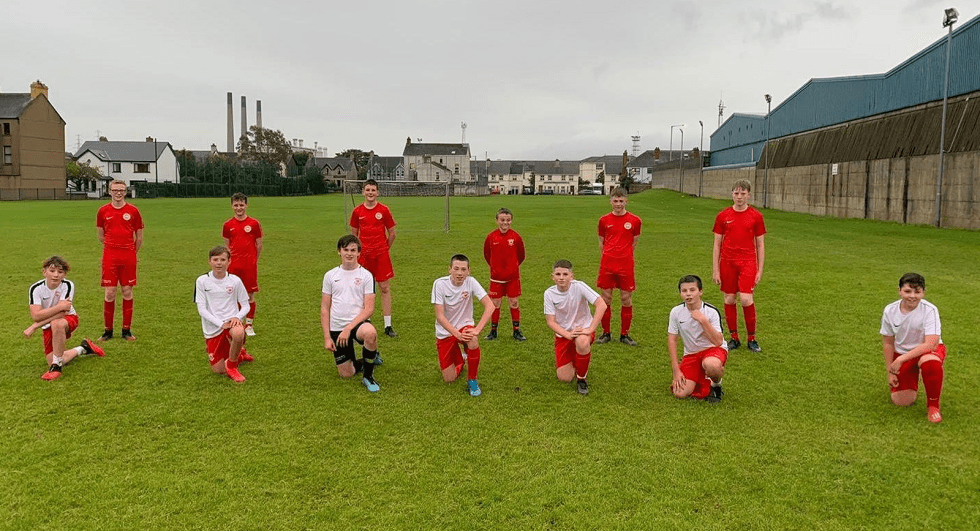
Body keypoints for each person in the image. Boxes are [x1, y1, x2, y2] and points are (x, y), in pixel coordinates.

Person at [880, 273, 945, 423]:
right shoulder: (890, 310)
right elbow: (888, 343)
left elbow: (931, 344)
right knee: (902, 401)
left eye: (917, 292)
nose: (912, 296)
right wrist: (890, 371)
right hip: (903, 353)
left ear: (924, 292)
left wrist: (901, 359)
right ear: (899, 291)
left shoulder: (930, 310)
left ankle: (933, 407)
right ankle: (911, 376)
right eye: (908, 291)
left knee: (929, 361)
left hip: (928, 351)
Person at [26, 256, 105, 380]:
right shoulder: (36, 289)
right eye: (52, 271)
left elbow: (63, 313)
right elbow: (36, 315)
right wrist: (58, 307)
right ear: (44, 272)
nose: (56, 275)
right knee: (53, 359)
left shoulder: (67, 285)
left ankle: (56, 368)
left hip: (69, 318)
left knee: (57, 323)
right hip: (48, 324)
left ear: (64, 274)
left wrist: (35, 325)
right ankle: (83, 348)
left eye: (60, 272)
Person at [321, 235, 382, 392]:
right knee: (346, 374)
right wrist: (327, 337)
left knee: (370, 333)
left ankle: (368, 377)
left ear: (359, 253)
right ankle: (370, 357)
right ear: (339, 252)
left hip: (358, 324)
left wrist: (348, 328)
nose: (349, 253)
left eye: (353, 250)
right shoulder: (330, 276)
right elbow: (325, 308)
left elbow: (369, 309)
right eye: (345, 250)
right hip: (337, 327)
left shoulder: (366, 275)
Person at [712, 179, 766, 352]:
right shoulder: (723, 216)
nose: (739, 197)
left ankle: (752, 338)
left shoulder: (756, 216)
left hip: (748, 262)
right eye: (736, 193)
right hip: (727, 262)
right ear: (732, 194)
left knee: (746, 299)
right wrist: (715, 269)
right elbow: (717, 244)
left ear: (748, 195)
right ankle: (734, 337)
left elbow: (760, 245)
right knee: (729, 298)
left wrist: (760, 269)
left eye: (743, 194)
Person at [431, 254, 494, 397]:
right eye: (456, 269)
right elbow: (440, 316)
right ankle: (462, 358)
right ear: (450, 269)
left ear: (468, 271)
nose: (459, 273)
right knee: (449, 378)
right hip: (446, 332)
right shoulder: (439, 284)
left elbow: (490, 306)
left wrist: (477, 330)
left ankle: (472, 380)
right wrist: (456, 334)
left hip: (464, 327)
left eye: (463, 270)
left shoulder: (471, 282)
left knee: (472, 340)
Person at [544, 259, 607, 396]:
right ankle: (578, 357)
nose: (561, 278)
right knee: (564, 378)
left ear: (571, 276)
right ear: (552, 277)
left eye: (565, 274)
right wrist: (567, 335)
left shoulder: (579, 286)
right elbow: (551, 322)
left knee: (582, 342)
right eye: (558, 274)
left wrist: (590, 328)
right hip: (564, 335)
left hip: (581, 330)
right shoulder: (549, 293)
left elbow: (601, 304)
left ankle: (581, 379)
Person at [194, 246, 252, 383]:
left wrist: (237, 317)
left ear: (229, 262)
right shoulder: (202, 281)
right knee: (219, 370)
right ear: (209, 261)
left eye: (222, 259)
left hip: (231, 322)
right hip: (213, 327)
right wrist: (221, 324)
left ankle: (232, 366)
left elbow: (246, 305)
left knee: (238, 333)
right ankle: (240, 355)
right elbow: (202, 309)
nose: (219, 263)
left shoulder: (235, 280)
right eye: (215, 259)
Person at [349, 179, 398, 338]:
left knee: (384, 288)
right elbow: (353, 235)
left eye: (373, 190)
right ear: (364, 192)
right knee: (365, 290)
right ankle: (366, 322)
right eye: (367, 190)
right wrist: (356, 253)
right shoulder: (357, 211)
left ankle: (388, 325)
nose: (370, 193)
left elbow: (392, 233)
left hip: (381, 255)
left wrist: (384, 249)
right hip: (364, 256)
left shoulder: (384, 210)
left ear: (377, 192)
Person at [96, 179, 144, 341]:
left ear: (126, 192)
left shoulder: (134, 211)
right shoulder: (103, 211)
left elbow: (139, 236)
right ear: (109, 191)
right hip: (110, 256)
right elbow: (101, 235)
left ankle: (126, 331)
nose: (118, 193)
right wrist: (113, 248)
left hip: (128, 256)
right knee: (109, 293)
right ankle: (108, 331)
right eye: (115, 190)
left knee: (127, 291)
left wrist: (130, 251)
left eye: (122, 190)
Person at [667, 275, 728, 403]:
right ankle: (703, 379)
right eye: (684, 291)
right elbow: (672, 340)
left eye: (692, 290)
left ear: (700, 292)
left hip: (712, 350)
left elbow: (718, 342)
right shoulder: (676, 312)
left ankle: (716, 385)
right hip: (691, 354)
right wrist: (676, 371)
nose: (688, 294)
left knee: (711, 365)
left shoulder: (711, 312)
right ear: (680, 293)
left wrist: (702, 320)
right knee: (680, 393)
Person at [596, 187, 642, 346]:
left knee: (626, 299)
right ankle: (606, 333)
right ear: (610, 201)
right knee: (606, 298)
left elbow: (634, 242)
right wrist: (610, 254)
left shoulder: (635, 220)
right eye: (615, 201)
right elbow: (601, 242)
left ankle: (624, 335)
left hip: (625, 265)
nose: (618, 204)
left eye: (621, 201)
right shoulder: (603, 220)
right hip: (607, 264)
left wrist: (624, 254)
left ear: (626, 201)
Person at [223, 192, 263, 337]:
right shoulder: (227, 225)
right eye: (236, 205)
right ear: (232, 206)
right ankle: (236, 322)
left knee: (249, 296)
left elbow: (259, 245)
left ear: (246, 205)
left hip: (249, 266)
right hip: (233, 266)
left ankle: (249, 324)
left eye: (241, 205)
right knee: (233, 295)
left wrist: (253, 260)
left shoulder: (254, 223)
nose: (239, 208)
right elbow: (227, 247)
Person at [483, 207, 527, 341]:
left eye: (508, 220)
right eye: (502, 220)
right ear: (497, 221)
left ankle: (516, 331)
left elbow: (521, 255)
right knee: (495, 304)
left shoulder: (516, 237)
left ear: (511, 221)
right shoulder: (491, 237)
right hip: (496, 278)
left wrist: (512, 268)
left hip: (512, 278)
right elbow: (486, 254)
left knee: (513, 302)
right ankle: (493, 331)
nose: (505, 223)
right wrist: (496, 268)